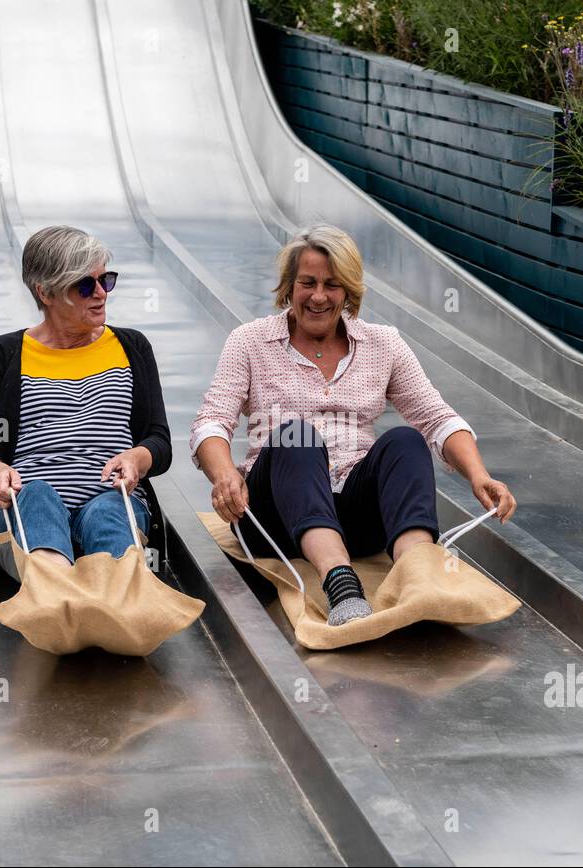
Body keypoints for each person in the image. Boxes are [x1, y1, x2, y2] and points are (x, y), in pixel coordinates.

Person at [191, 224, 515, 626]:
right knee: (297, 435)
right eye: (307, 283)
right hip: (275, 513)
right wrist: (224, 476)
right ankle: (339, 581)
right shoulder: (250, 341)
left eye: (332, 284)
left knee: (405, 440)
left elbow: (437, 417)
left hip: (356, 512)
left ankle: (419, 574)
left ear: (348, 291)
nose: (319, 296)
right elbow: (212, 422)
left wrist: (478, 474)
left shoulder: (383, 344)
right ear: (289, 287)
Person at [0, 225, 172, 568]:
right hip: (28, 500)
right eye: (84, 285)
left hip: (111, 496)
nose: (100, 293)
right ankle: (53, 582)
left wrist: (136, 459)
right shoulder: (6, 353)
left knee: (109, 511)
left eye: (105, 280)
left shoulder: (132, 347)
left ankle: (112, 580)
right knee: (37, 496)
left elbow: (159, 441)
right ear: (46, 293)